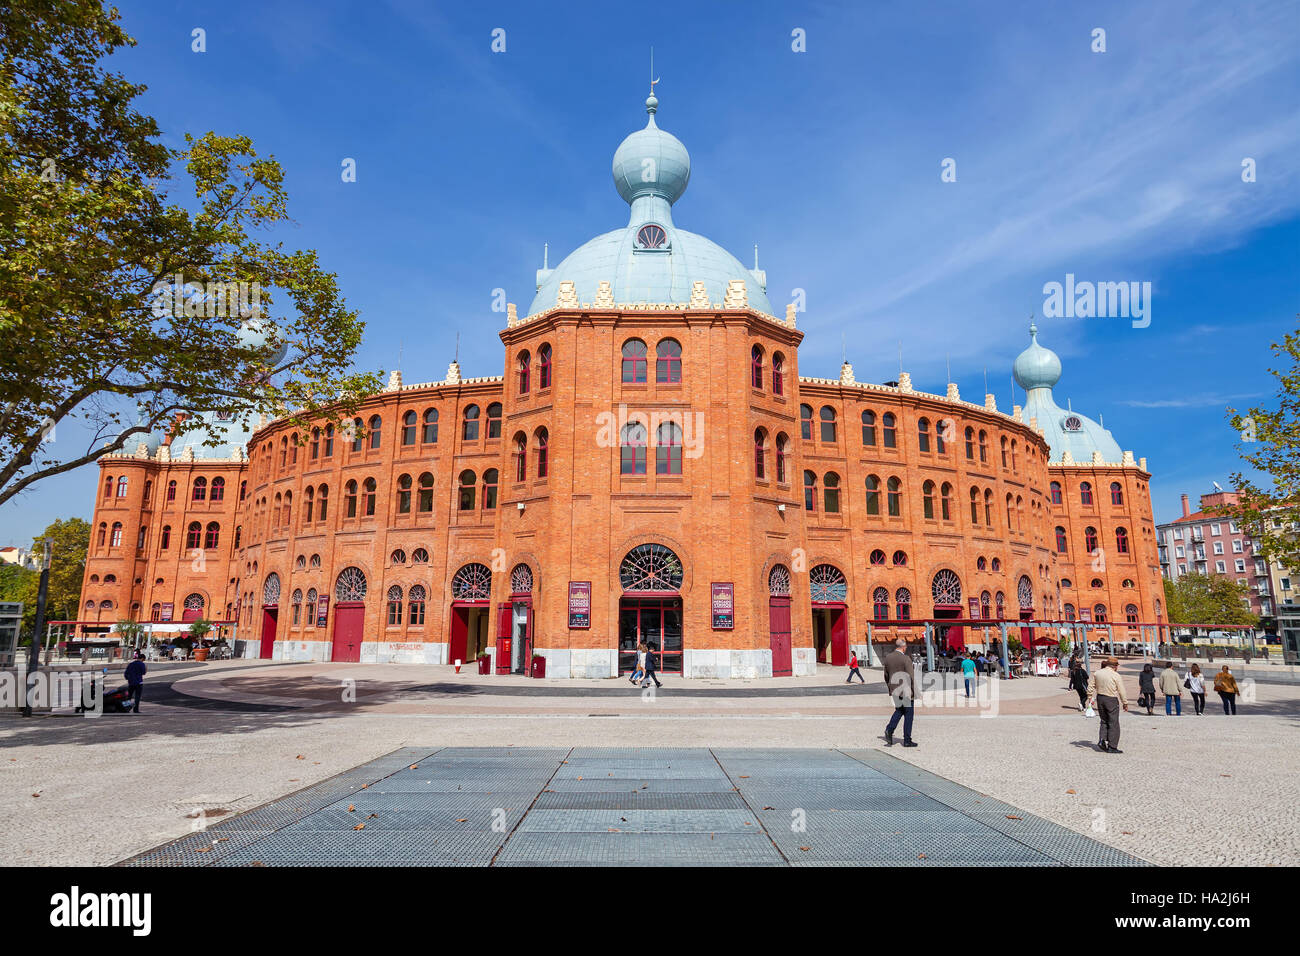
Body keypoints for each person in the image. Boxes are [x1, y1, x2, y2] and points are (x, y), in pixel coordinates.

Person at [882, 637, 920, 747]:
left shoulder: (888, 658)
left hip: (895, 690)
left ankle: (889, 729)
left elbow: (886, 675)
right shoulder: (906, 659)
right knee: (909, 714)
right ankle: (907, 739)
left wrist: (890, 687)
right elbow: (910, 676)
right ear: (903, 647)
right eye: (906, 647)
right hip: (906, 691)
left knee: (899, 710)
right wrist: (914, 691)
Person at [1086, 656, 1128, 753]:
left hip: (1100, 698)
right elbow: (1122, 691)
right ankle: (1112, 746)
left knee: (1104, 720)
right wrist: (1125, 703)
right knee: (1113, 722)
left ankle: (1102, 740)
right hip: (1111, 699)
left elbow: (1090, 686)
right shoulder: (1116, 675)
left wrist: (1090, 697)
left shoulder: (1097, 673)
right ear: (1115, 666)